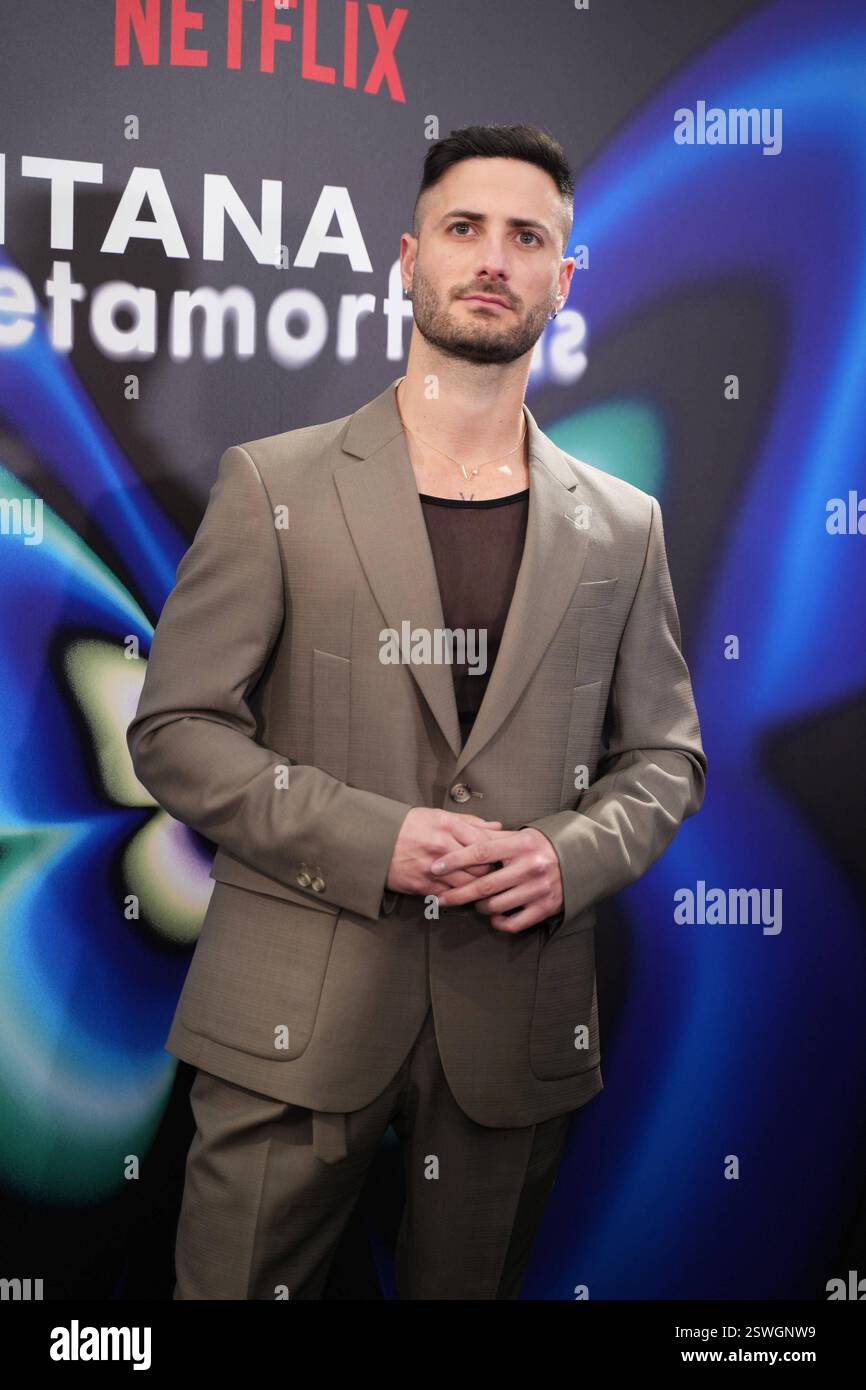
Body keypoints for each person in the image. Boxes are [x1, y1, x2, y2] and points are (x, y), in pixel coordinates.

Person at [126, 122, 707, 1300]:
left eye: (526, 236)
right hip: (288, 1020)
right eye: (463, 229)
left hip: (514, 1033)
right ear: (406, 258)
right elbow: (174, 731)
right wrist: (367, 837)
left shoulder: (624, 523)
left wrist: (569, 852)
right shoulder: (271, 485)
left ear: (563, 274)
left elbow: (662, 758)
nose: (492, 258)